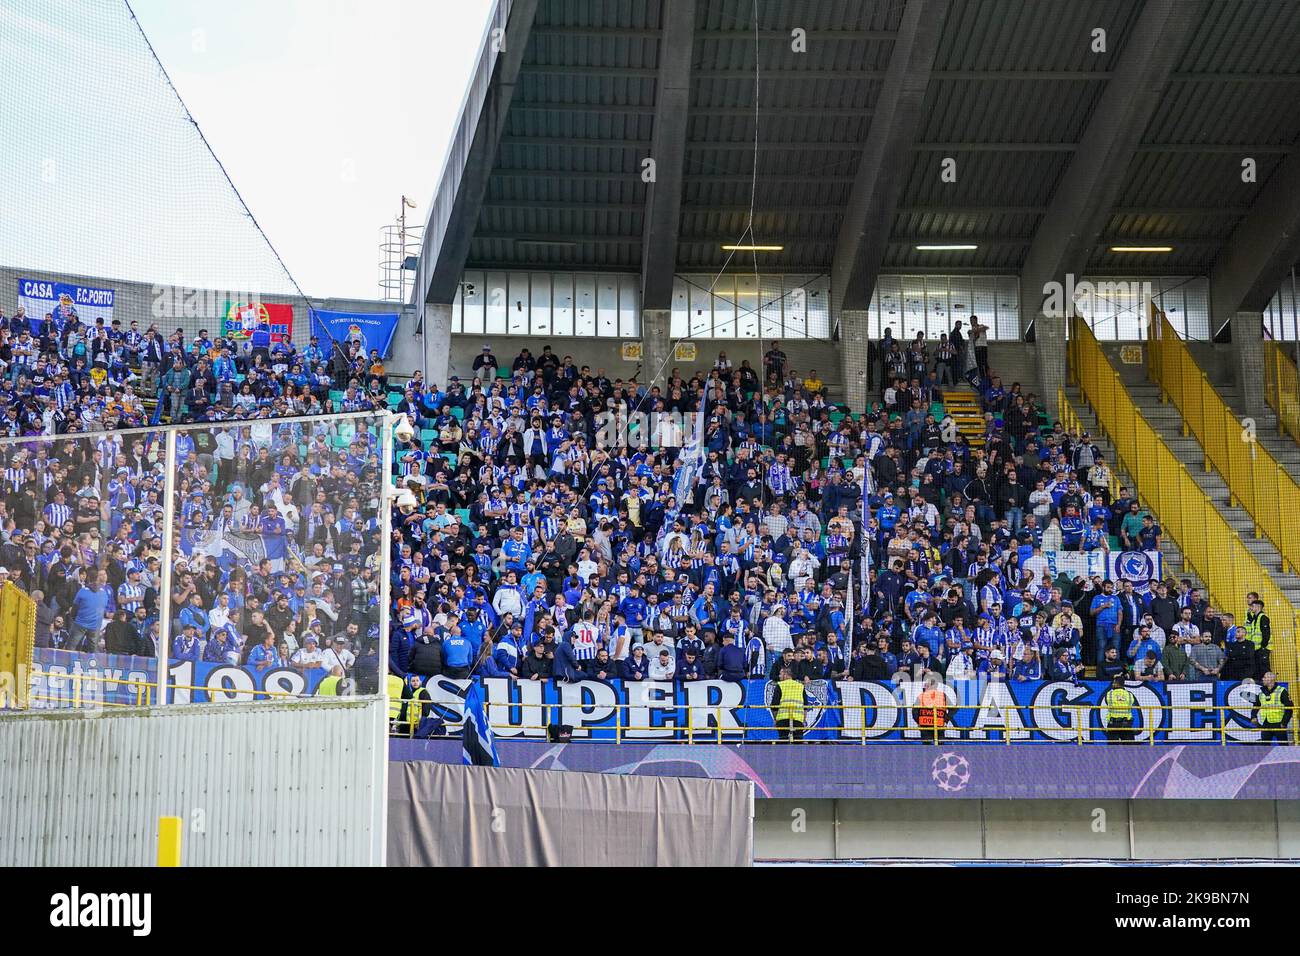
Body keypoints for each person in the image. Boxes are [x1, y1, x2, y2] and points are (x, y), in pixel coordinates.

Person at [1251, 672, 1292, 744]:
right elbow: (1255, 706)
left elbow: (1290, 708)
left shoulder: (1282, 691)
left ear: (1271, 679)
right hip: (1266, 724)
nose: (1262, 679)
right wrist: (1253, 717)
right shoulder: (1261, 693)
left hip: (1279, 725)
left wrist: (1284, 723)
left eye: (1265, 677)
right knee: (1264, 746)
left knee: (1284, 746)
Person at [769, 665, 806, 742]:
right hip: (797, 719)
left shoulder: (780, 685)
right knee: (798, 742)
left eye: (780, 674)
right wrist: (803, 720)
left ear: (785, 674)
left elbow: (774, 705)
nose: (779, 676)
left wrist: (775, 719)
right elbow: (805, 706)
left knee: (783, 742)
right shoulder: (800, 686)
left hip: (783, 719)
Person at [914, 673, 949, 745]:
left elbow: (914, 712)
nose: (924, 687)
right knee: (940, 746)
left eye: (926, 685)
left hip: (925, 725)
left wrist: (918, 722)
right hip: (939, 724)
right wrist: (945, 720)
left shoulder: (921, 696)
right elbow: (953, 709)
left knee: (927, 747)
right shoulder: (942, 695)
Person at [1102, 675, 1137, 744]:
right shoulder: (1130, 695)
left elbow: (1107, 702)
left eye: (1113, 683)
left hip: (1113, 724)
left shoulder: (1109, 694)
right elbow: (1131, 703)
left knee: (1113, 748)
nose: (1112, 684)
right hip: (1126, 724)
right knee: (1130, 747)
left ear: (1115, 683)